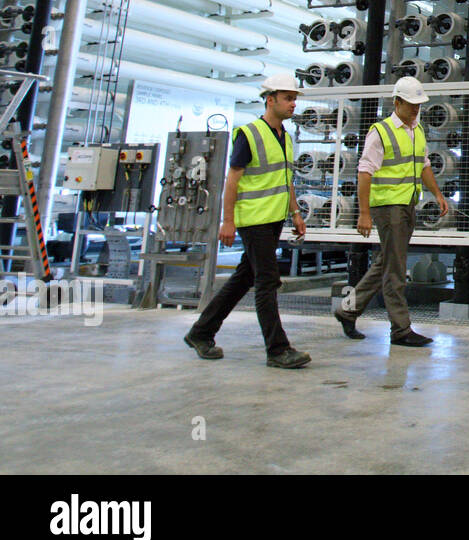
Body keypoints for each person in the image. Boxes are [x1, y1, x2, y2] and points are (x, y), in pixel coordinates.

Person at [185, 72, 312, 369]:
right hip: (253, 220)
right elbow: (232, 181)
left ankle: (201, 333)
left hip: (273, 219)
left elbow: (285, 179)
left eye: (294, 98)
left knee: (245, 277)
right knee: (267, 281)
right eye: (288, 98)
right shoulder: (249, 134)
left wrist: (295, 212)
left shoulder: (285, 137)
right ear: (271, 100)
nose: (293, 104)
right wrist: (227, 221)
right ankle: (277, 350)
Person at [335, 76, 450, 346]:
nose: (415, 110)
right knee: (395, 271)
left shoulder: (416, 130)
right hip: (388, 208)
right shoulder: (381, 132)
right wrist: (363, 213)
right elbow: (364, 172)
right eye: (411, 104)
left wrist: (437, 193)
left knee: (386, 263)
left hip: (407, 204)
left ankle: (347, 310)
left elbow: (423, 165)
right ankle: (401, 330)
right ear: (396, 102)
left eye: (419, 105)